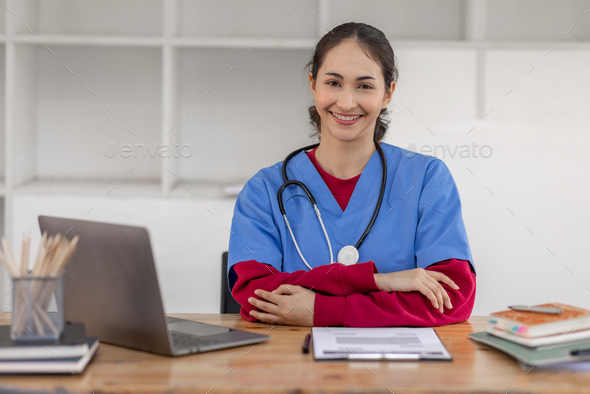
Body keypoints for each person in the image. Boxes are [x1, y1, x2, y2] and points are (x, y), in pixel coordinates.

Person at [227, 22, 476, 327]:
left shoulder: (425, 179)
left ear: (388, 93)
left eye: (364, 86)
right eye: (333, 83)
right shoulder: (263, 190)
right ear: (313, 84)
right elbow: (256, 294)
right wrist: (381, 281)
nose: (346, 102)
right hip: (291, 367)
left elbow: (452, 298)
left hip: (398, 370)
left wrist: (325, 311)